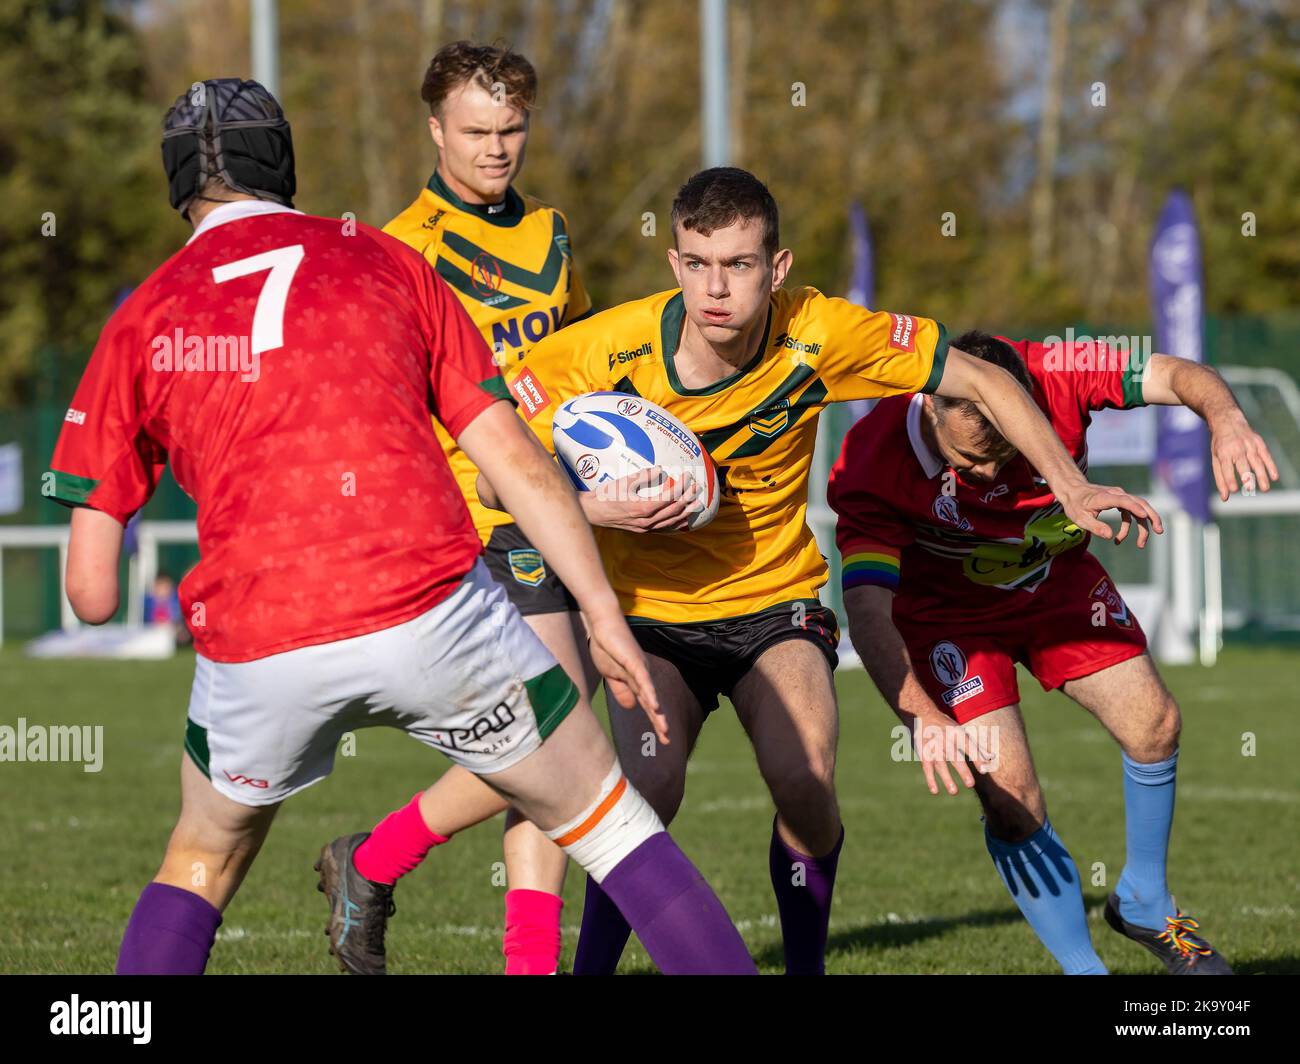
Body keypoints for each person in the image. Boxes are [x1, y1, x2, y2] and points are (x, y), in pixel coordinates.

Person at [348, 167, 1162, 975]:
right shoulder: (598, 351)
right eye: (697, 264)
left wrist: (1072, 483)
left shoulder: (820, 331)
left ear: (776, 269)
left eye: (738, 266)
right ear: (673, 263)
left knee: (805, 782)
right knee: (647, 791)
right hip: (650, 616)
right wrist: (592, 511)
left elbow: (979, 376)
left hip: (776, 603)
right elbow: (495, 475)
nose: (716, 289)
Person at [48, 78, 756, 977]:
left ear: (176, 181)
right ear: (286, 164)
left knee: (200, 858)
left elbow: (93, 592)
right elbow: (519, 467)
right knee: (617, 828)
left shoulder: (142, 317)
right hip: (429, 610)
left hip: (258, 637)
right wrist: (605, 617)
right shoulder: (381, 259)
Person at [829, 329, 1277, 974]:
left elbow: (1180, 372)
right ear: (930, 404)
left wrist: (1226, 418)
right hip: (946, 621)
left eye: (1004, 452)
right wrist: (920, 718)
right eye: (969, 460)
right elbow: (868, 607)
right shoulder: (872, 456)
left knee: (1155, 725)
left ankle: (1146, 901)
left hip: (1053, 584)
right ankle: (1083, 968)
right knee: (1012, 799)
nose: (989, 476)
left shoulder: (1059, 367)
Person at [375, 40, 593, 975]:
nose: (497, 147)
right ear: (434, 129)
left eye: (512, 128)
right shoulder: (396, 248)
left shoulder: (552, 235)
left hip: (546, 507)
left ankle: (523, 964)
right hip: (463, 520)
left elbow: (577, 365)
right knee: (565, 730)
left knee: (550, 742)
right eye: (476, 131)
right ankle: (377, 857)